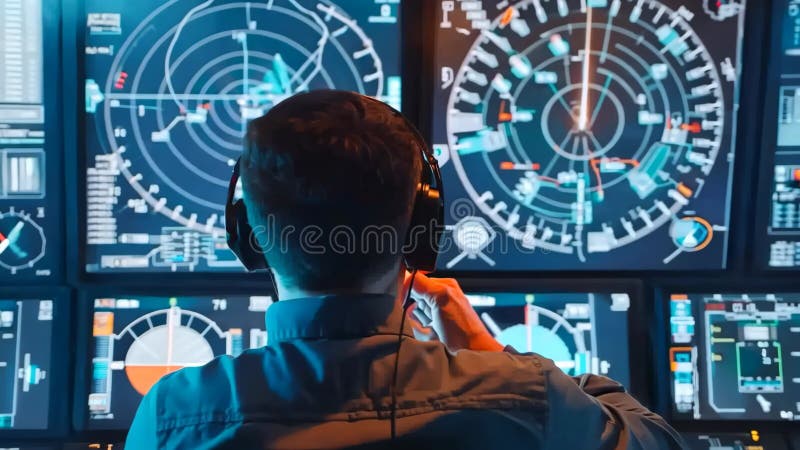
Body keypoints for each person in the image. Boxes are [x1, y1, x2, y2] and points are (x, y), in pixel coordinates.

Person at [126, 90, 684, 449]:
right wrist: (489, 355)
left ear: (244, 233)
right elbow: (659, 442)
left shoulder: (175, 419)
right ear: (423, 230)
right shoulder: (527, 400)